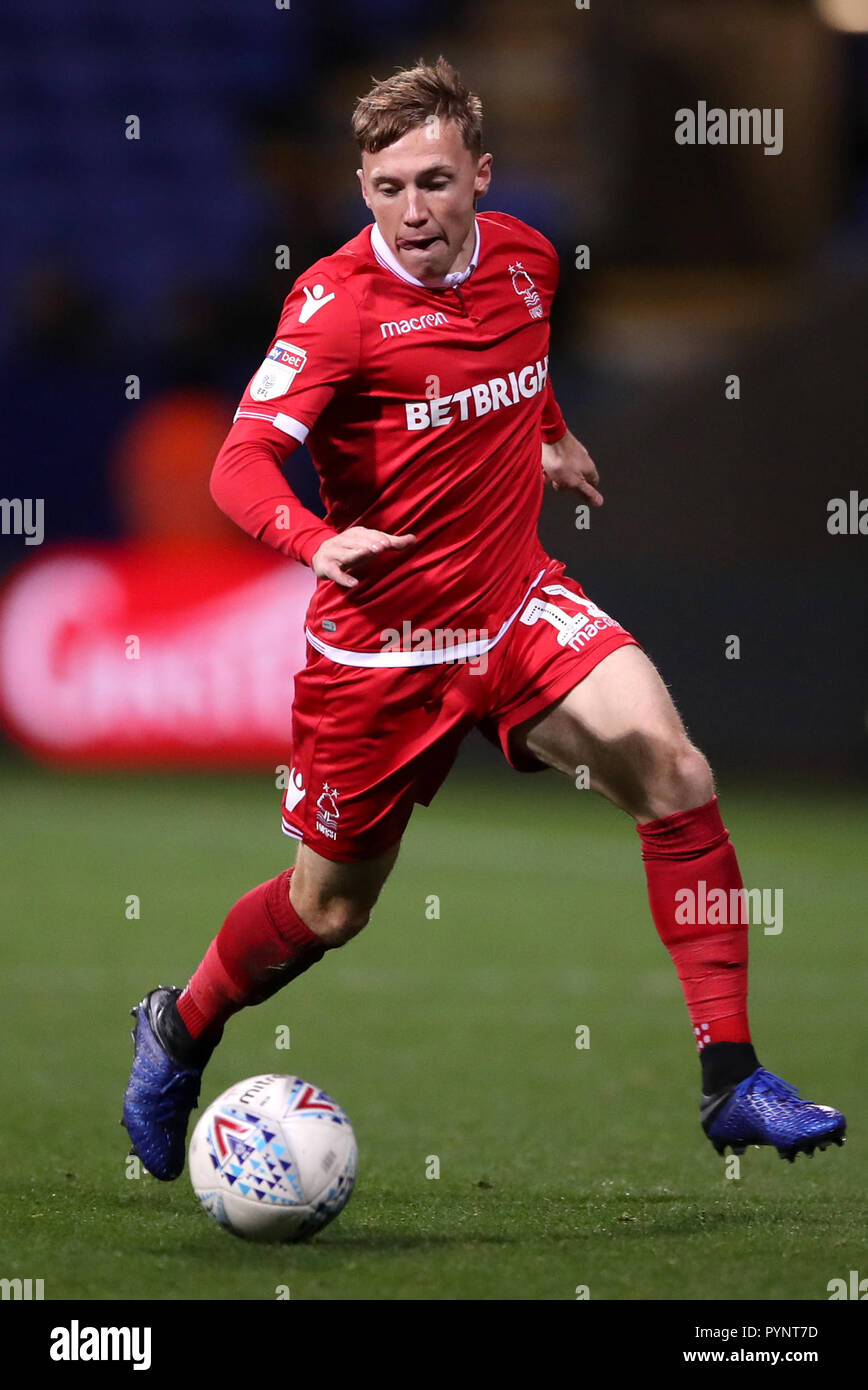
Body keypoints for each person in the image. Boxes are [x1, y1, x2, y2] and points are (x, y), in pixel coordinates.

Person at [123, 58, 844, 1181]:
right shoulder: (333, 310)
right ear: (360, 187)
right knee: (328, 910)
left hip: (513, 607)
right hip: (379, 651)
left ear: (481, 177)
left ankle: (732, 1076)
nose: (412, 212)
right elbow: (239, 463)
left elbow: (523, 350)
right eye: (386, 187)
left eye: (435, 182)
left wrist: (548, 433)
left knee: (675, 771)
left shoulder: (527, 258)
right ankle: (180, 1026)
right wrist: (317, 540)